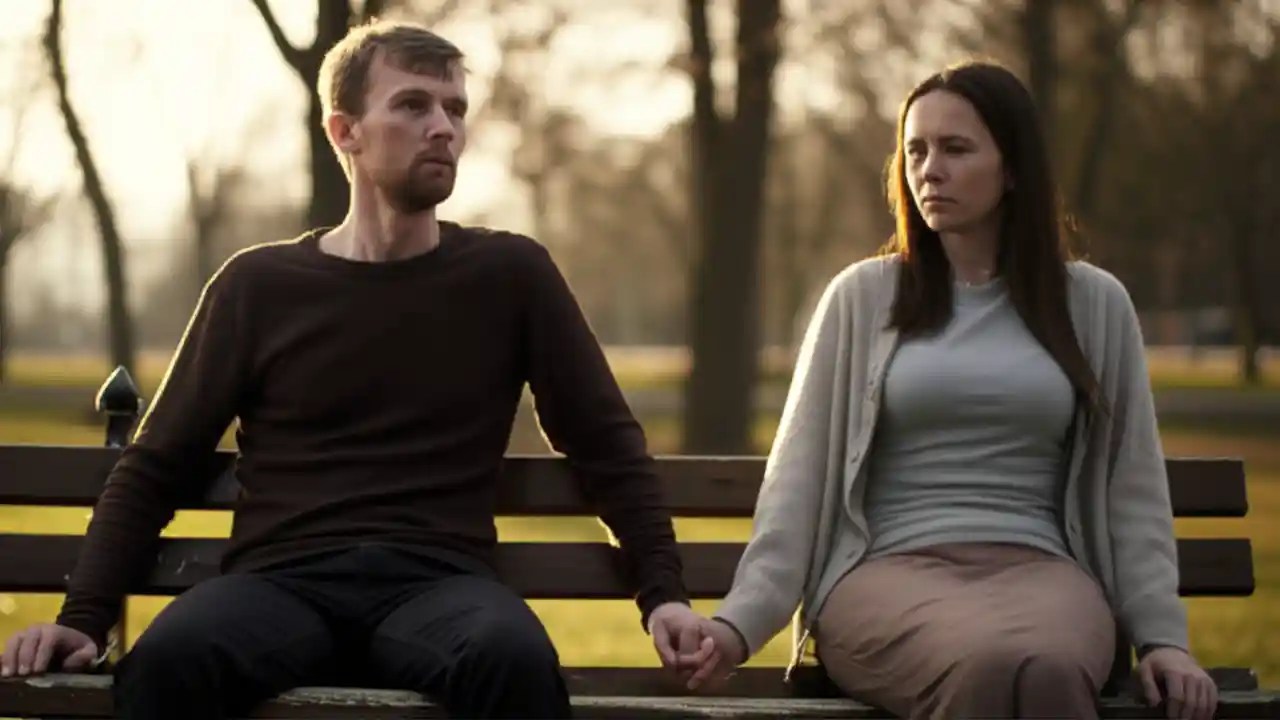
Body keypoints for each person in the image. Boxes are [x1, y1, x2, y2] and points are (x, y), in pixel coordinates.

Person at [0, 19, 708, 720]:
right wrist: (84, 619)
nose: (444, 127)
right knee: (169, 664)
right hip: (278, 586)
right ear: (345, 131)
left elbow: (606, 446)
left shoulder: (510, 275)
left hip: (440, 588)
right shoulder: (258, 286)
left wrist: (664, 594)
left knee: (513, 661)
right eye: (413, 105)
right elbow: (156, 465)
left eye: (455, 108)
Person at [675, 61, 1219, 720]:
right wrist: (739, 626)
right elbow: (799, 482)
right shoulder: (862, 298)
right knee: (987, 667)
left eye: (956, 149)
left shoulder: (1095, 305)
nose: (929, 169)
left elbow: (1132, 489)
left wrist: (1165, 640)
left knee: (1043, 669)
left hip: (1044, 575)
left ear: (1012, 167)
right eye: (915, 150)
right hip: (886, 575)